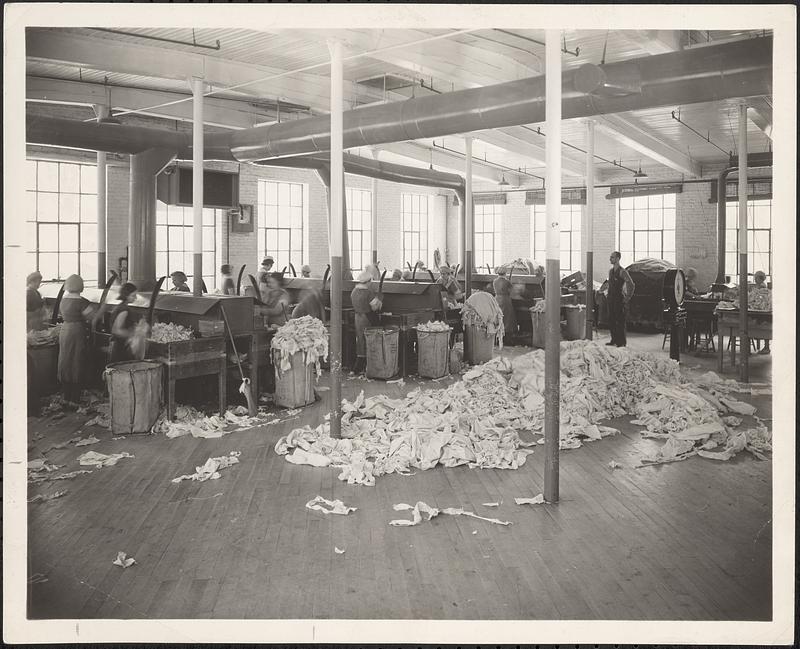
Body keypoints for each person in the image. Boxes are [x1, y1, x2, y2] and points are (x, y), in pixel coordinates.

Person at [57, 274, 93, 405]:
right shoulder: (82, 301)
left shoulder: (63, 300)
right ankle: (75, 398)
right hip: (77, 331)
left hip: (65, 330)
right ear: (80, 285)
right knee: (76, 360)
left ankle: (66, 395)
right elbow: (91, 318)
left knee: (65, 360)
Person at [350, 269, 382, 374]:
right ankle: (367, 365)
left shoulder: (354, 291)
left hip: (357, 317)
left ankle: (358, 366)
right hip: (367, 318)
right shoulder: (368, 292)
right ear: (368, 281)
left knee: (360, 340)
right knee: (369, 340)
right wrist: (379, 301)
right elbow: (374, 307)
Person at [606, 251, 635, 347]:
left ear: (618, 259)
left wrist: (627, 297)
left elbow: (631, 284)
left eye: (612, 257)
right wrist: (603, 291)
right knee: (611, 320)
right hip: (611, 299)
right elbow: (609, 284)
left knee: (620, 321)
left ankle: (621, 342)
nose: (610, 259)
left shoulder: (622, 272)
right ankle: (613, 340)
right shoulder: (610, 271)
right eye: (610, 257)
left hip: (619, 299)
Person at [109, 282, 140, 363]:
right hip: (120, 348)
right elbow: (117, 330)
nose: (135, 298)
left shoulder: (121, 307)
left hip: (118, 346)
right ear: (126, 295)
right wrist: (134, 335)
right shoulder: (124, 310)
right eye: (133, 295)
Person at [492, 268, 517, 336]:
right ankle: (506, 333)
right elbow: (512, 291)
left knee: (498, 316)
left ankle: (497, 331)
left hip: (497, 299)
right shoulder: (507, 282)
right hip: (505, 299)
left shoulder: (495, 281)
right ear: (505, 273)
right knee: (507, 317)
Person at [752, 270, 770, 354]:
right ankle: (766, 346)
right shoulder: (760, 286)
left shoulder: (762, 287)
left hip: (763, 311)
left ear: (760, 278)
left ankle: (766, 347)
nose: (755, 279)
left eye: (756, 278)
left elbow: (758, 299)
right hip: (762, 309)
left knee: (764, 327)